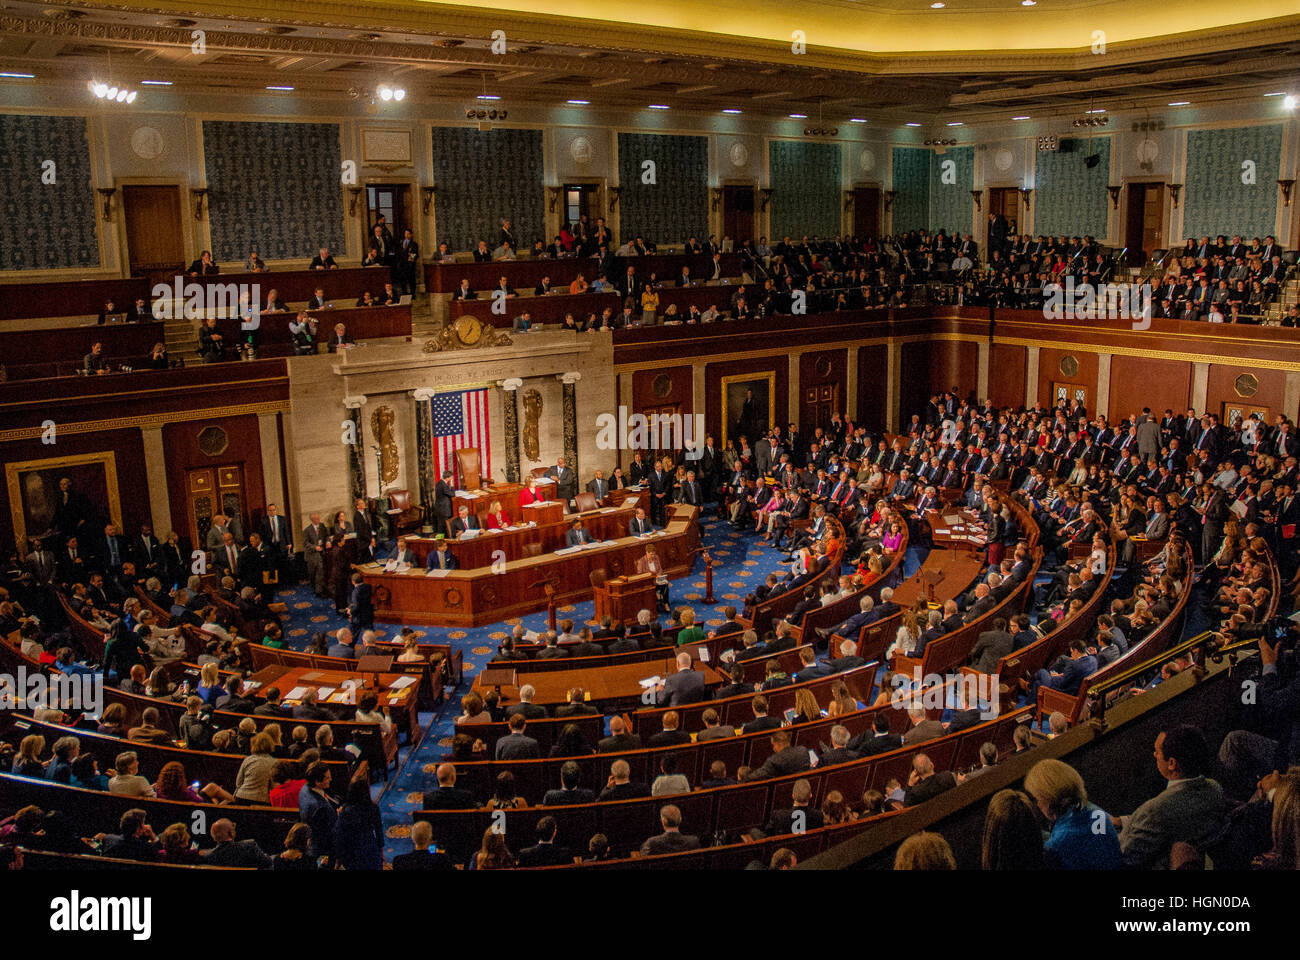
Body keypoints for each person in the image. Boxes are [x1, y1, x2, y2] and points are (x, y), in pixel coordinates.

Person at [1116, 726, 1226, 869]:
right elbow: (1167, 820)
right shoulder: (1214, 788)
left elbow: (1122, 858)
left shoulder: (1155, 810)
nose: (1154, 755)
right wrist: (1122, 821)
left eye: (1157, 751)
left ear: (1172, 764)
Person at [334, 776, 384, 870]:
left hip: (352, 852)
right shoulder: (373, 808)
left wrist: (339, 859)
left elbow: (339, 835)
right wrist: (381, 852)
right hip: (370, 849)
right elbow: (379, 832)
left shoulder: (345, 812)